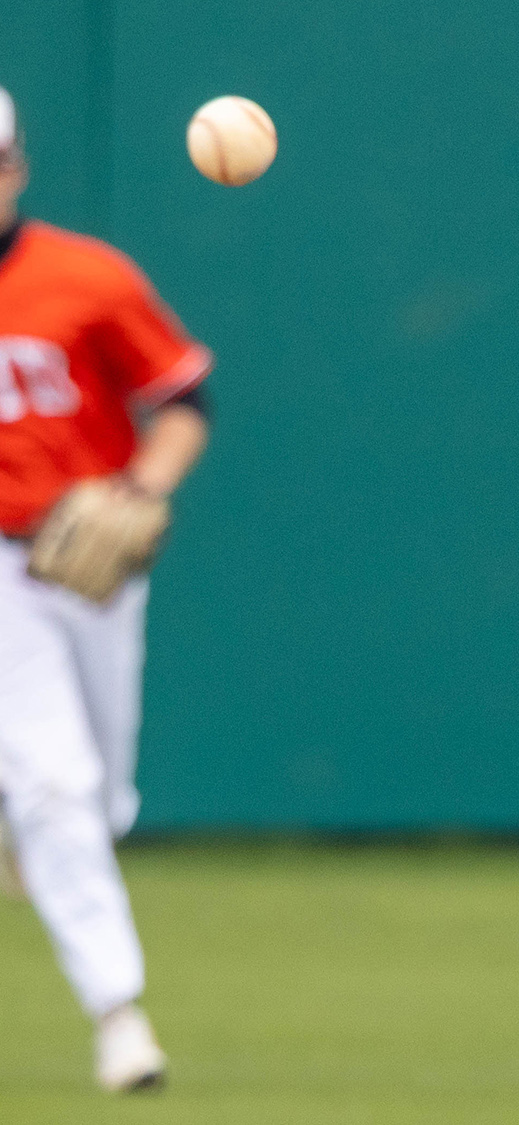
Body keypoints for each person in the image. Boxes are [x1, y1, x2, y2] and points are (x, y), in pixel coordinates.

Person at [0, 85, 212, 1093]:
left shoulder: (86, 277)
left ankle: (27, 835)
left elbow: (181, 400)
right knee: (55, 782)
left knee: (100, 793)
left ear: (17, 167)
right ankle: (118, 1015)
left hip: (87, 562)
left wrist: (144, 482)